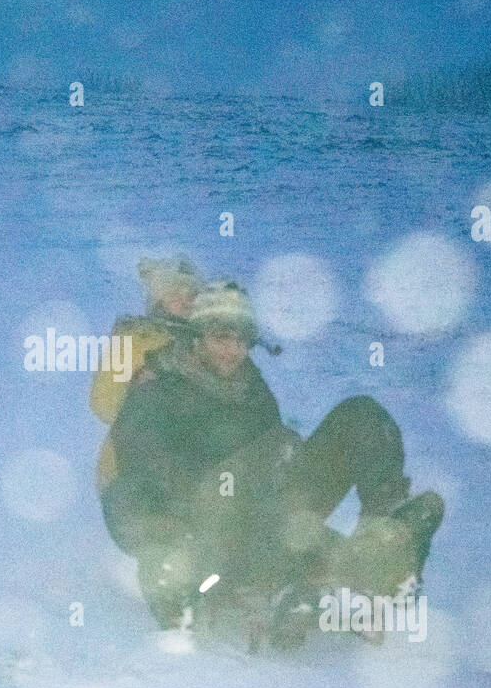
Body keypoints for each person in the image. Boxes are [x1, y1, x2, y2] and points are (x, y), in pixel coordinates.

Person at [103, 281, 443, 633]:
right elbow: (138, 478)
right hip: (209, 535)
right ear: (197, 336)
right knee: (268, 468)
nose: (233, 350)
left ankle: (382, 540)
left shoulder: (251, 391)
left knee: (361, 415)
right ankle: (297, 583)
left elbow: (279, 488)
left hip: (270, 522)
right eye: (222, 337)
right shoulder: (157, 393)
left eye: (242, 340)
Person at [90, 257, 200, 494]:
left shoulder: (204, 346)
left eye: (191, 293)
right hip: (128, 470)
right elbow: (104, 403)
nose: (185, 299)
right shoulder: (133, 338)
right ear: (158, 297)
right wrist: (145, 384)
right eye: (174, 292)